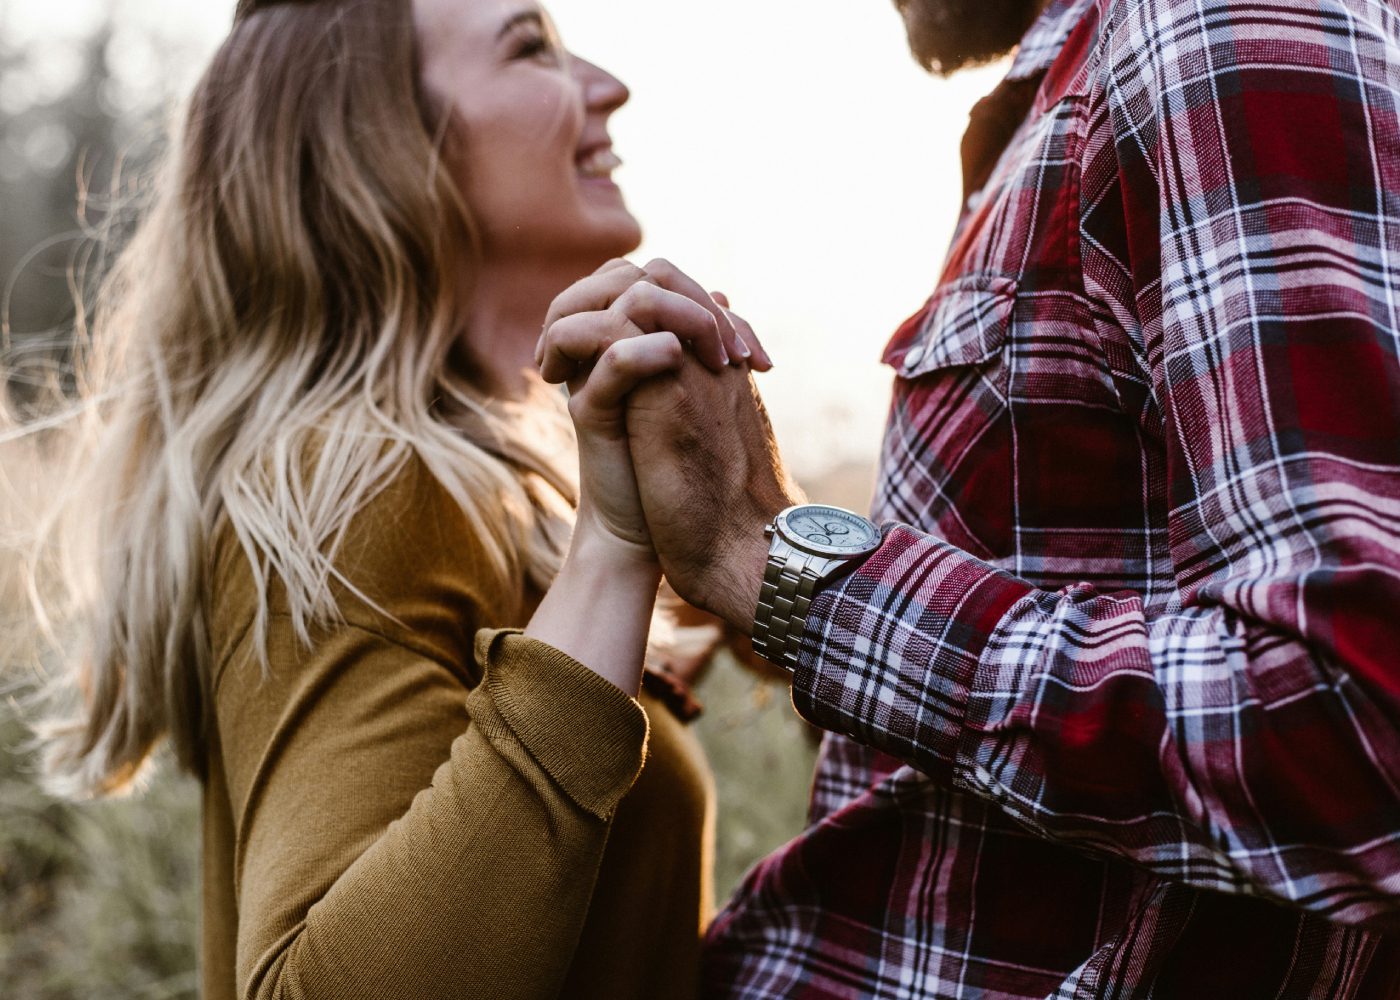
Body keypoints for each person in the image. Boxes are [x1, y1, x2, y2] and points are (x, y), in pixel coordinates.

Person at [539, 0, 1400, 993]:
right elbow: (966, 795)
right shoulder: (1092, 85)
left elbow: (1348, 721)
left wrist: (764, 560)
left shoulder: (1218, 30)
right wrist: (773, 524)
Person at [13, 0, 771, 997]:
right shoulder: (359, 486)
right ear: (383, 144)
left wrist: (744, 521)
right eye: (527, 46)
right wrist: (612, 554)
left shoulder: (481, 487)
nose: (604, 84)